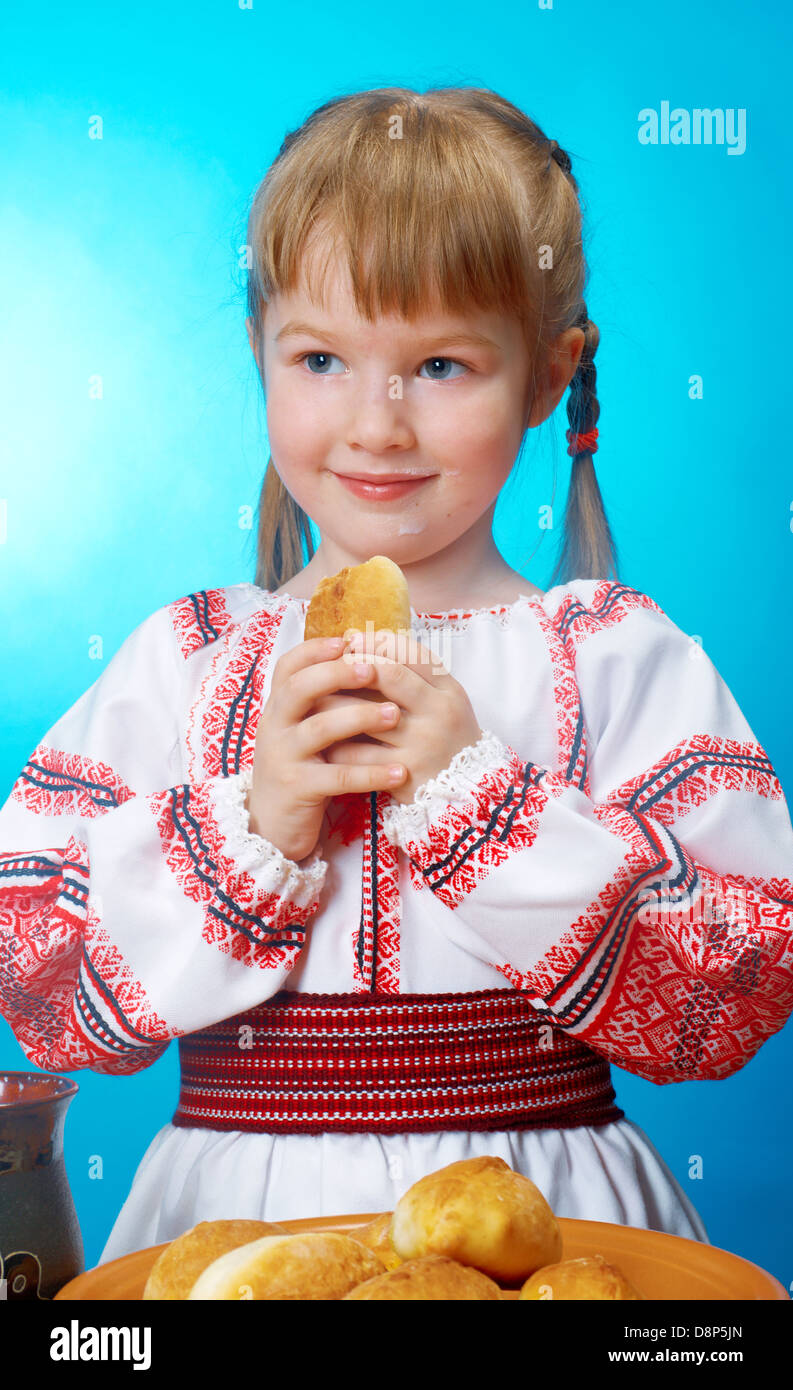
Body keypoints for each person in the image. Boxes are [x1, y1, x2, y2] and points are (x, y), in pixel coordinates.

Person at [2, 86, 792, 1269]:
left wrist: (490, 806)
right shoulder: (188, 659)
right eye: (321, 356)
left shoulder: (618, 654)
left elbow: (727, 1000)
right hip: (237, 1228)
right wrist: (244, 826)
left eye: (438, 364)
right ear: (261, 356)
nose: (375, 423)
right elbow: (33, 983)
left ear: (545, 374)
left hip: (548, 1220)